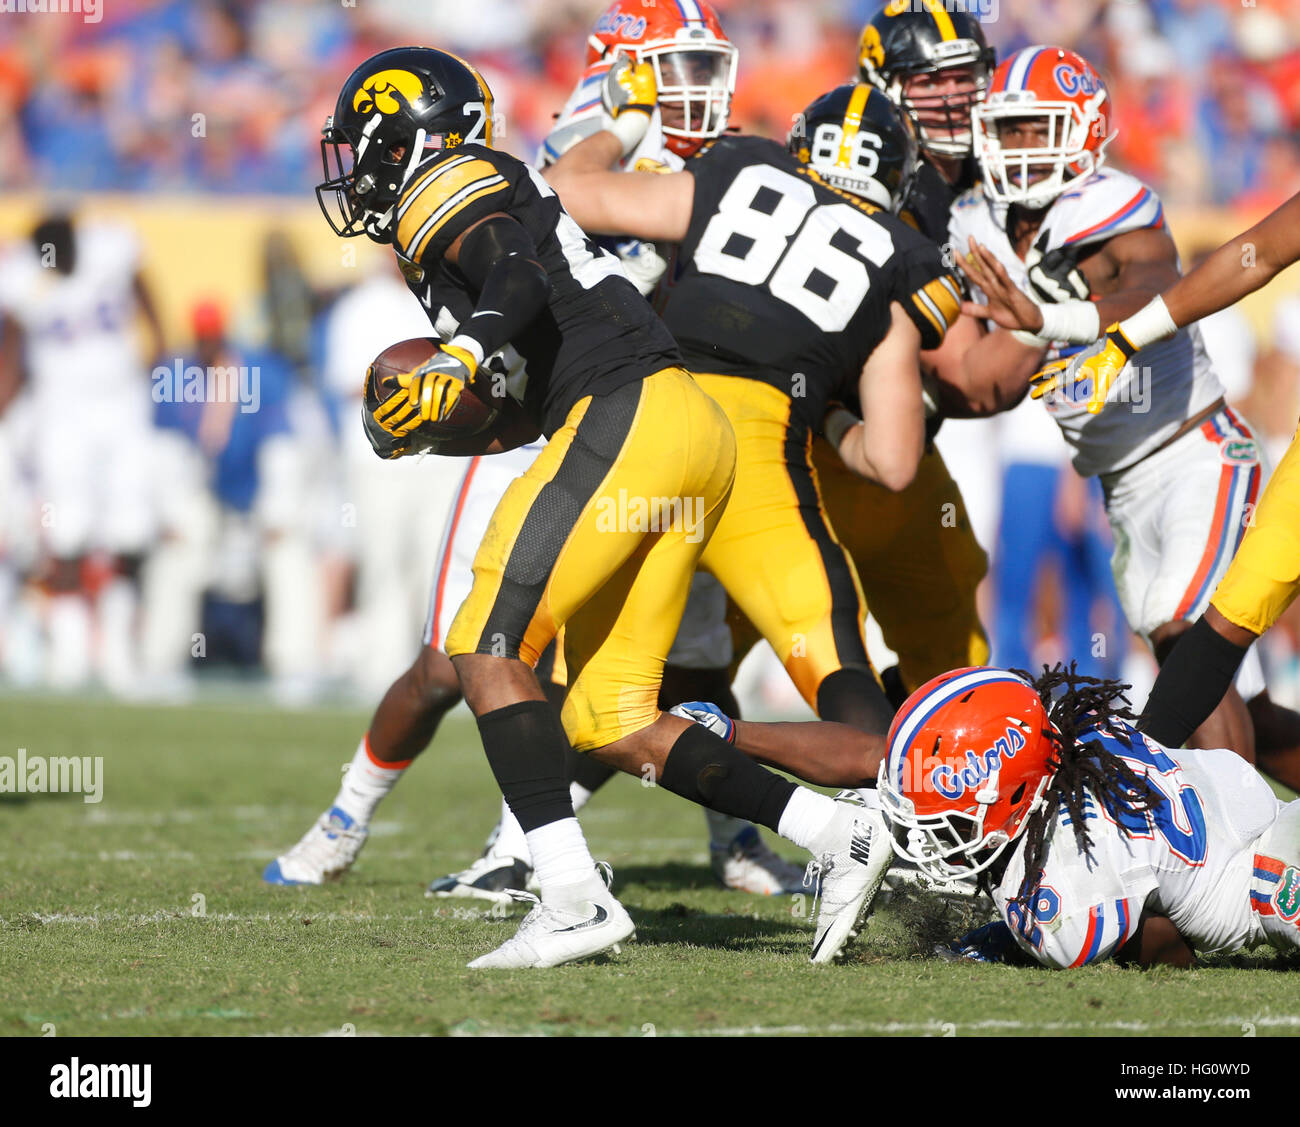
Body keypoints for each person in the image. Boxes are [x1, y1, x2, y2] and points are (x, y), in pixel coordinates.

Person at [309, 45, 893, 968]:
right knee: (609, 716)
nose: (360, 169)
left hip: (632, 413)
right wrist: (431, 424)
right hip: (680, 429)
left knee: (486, 642)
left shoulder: (448, 185)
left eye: (369, 146)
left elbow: (518, 279)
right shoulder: (492, 205)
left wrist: (459, 358)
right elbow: (525, 407)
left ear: (408, 139)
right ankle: (834, 834)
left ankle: (571, 896)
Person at [943, 45, 1269, 765]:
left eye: (1038, 127)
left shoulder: (1107, 204)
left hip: (1197, 454)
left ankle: (1246, 861)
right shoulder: (979, 223)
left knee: (1187, 647)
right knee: (1219, 694)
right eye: (1009, 128)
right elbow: (985, 383)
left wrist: (1056, 317)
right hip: (1118, 484)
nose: (1019, 146)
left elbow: (1154, 284)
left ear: (1085, 128)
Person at [1033, 192, 1300, 775]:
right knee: (1221, 626)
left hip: (1197, 453)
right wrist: (1129, 337)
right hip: (1148, 475)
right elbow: (1256, 256)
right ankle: (1152, 816)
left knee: (1201, 638)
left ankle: (1125, 799)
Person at [880, 664, 1300, 969]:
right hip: (1235, 796)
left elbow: (1164, 949)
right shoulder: (1072, 730)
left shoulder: (1076, 856)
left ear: (1011, 789)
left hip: (1264, 875)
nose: (941, 828)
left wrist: (1011, 935)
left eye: (954, 814)